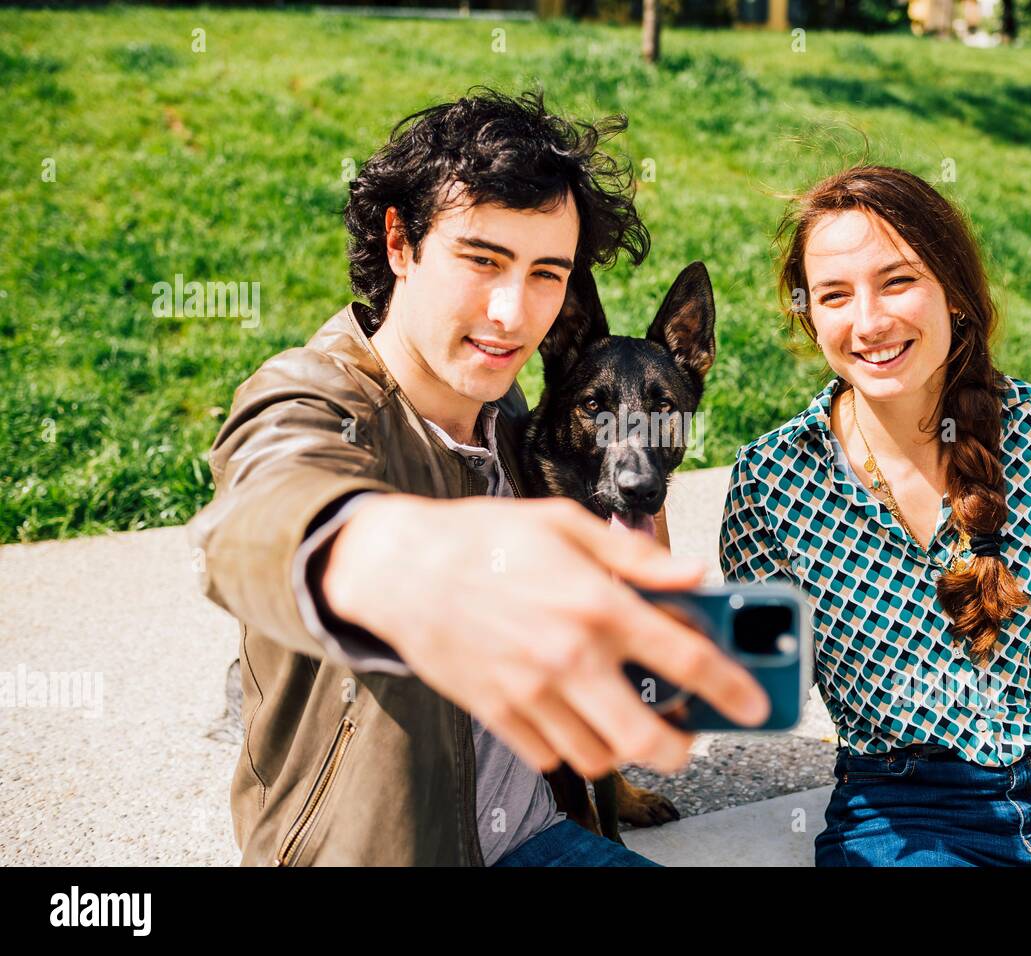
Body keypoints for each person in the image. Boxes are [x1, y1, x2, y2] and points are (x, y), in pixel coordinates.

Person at [188, 87, 769, 867]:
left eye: (545, 273)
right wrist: (382, 550)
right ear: (401, 242)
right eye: (482, 259)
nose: (511, 311)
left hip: (539, 833)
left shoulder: (516, 421)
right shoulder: (312, 394)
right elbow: (261, 513)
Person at [718, 164, 1031, 867]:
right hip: (901, 808)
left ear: (954, 292)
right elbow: (760, 686)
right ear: (812, 317)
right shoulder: (774, 482)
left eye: (898, 280)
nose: (869, 321)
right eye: (835, 295)